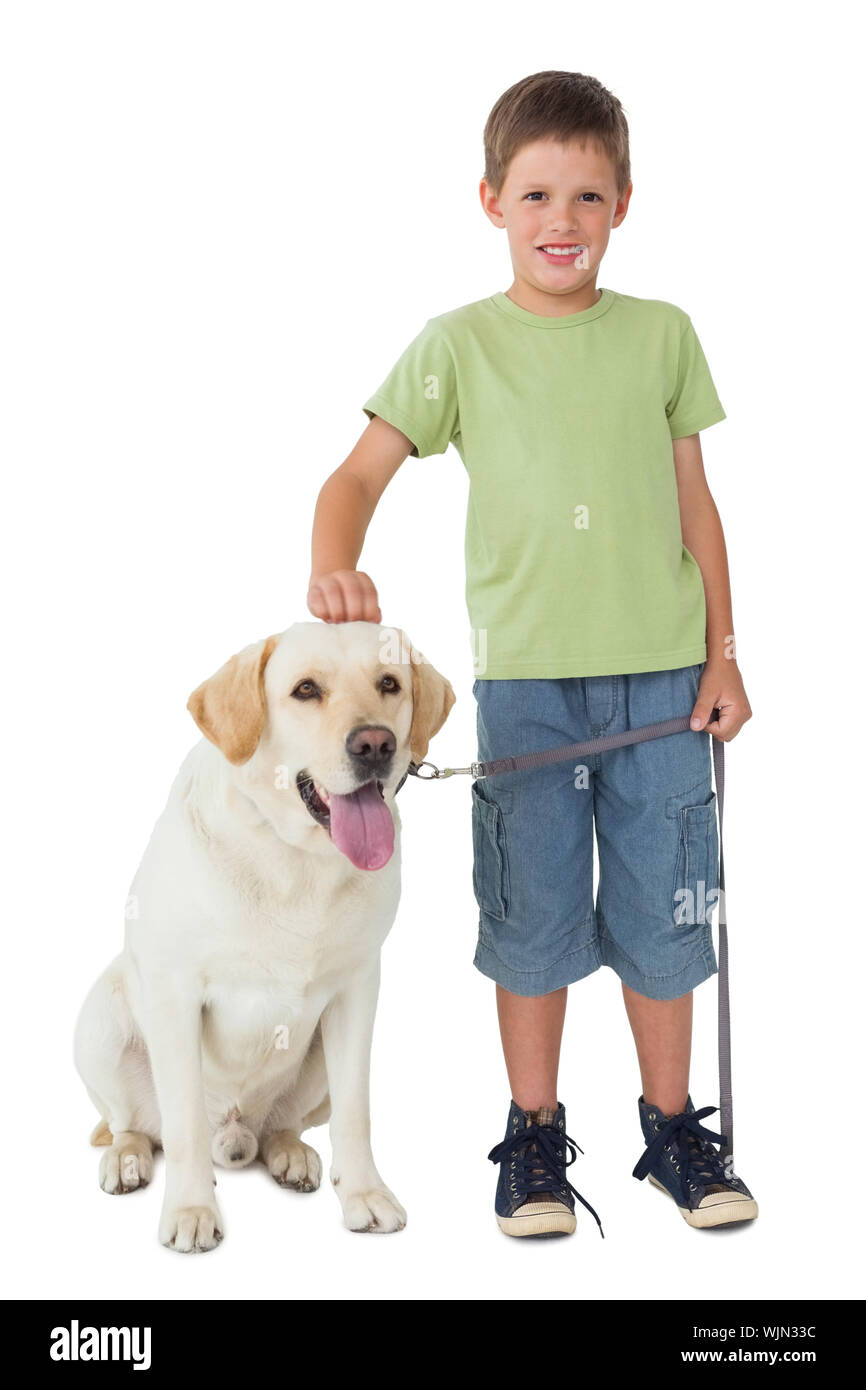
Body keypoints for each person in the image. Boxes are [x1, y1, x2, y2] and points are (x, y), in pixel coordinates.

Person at [307, 70, 757, 1238]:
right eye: (537, 196)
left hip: (663, 689)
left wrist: (722, 652)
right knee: (533, 916)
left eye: (588, 198)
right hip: (524, 697)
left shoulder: (662, 335)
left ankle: (670, 1133)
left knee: (667, 914)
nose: (562, 222)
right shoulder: (456, 344)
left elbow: (695, 508)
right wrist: (334, 574)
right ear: (490, 201)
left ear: (622, 205)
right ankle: (536, 1142)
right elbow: (356, 475)